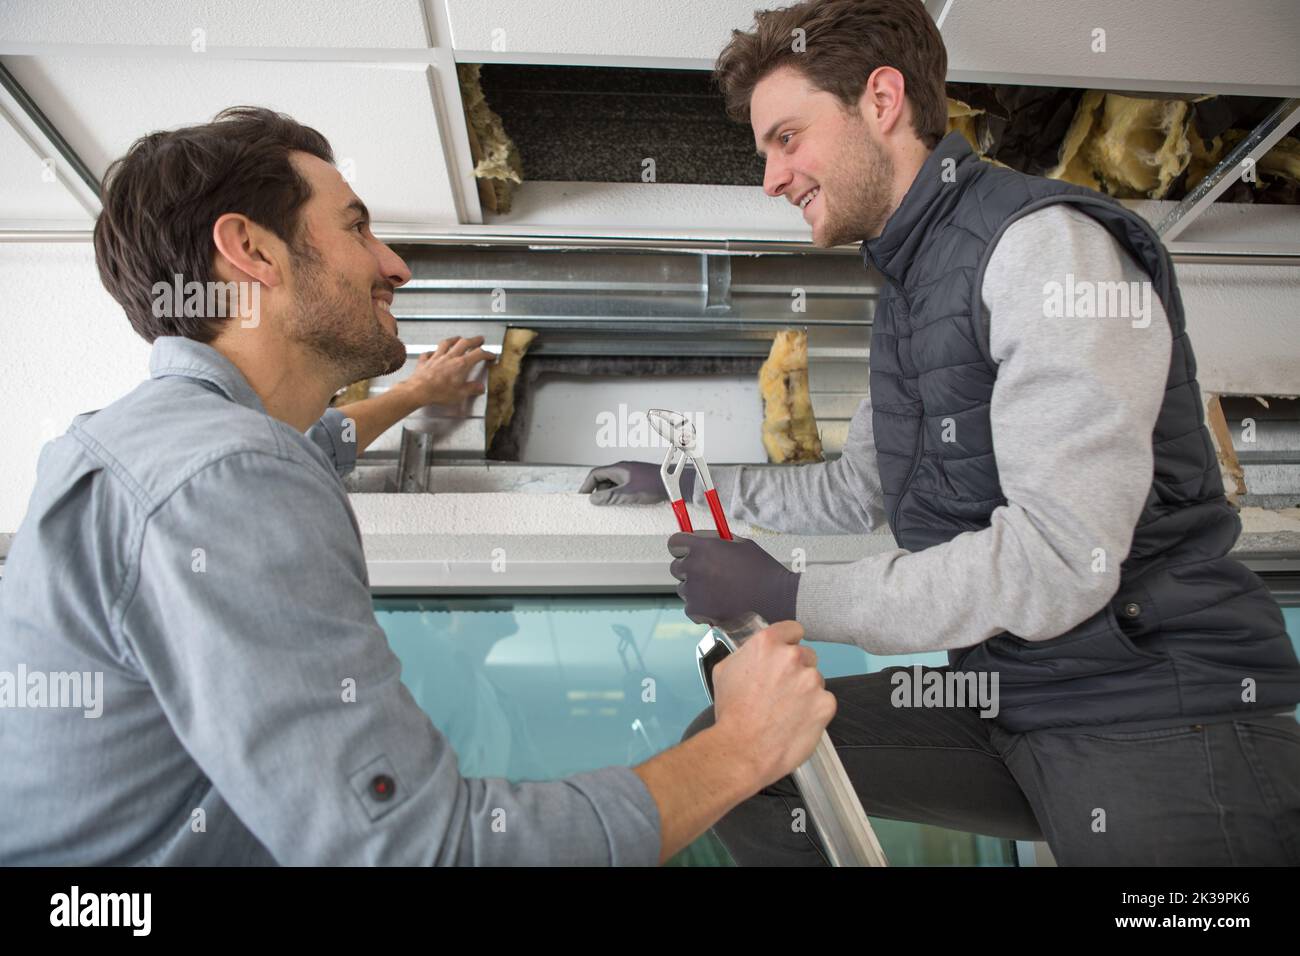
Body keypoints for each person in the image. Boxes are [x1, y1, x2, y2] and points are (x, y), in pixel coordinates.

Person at [0, 106, 835, 866]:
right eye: (357, 228)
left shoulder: (150, 445)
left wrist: (411, 397)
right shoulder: (225, 476)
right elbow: (416, 851)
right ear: (251, 251)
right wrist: (742, 748)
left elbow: (313, 449)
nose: (393, 266)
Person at [582, 0, 1300, 865]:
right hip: (1002, 697)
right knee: (746, 754)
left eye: (787, 138)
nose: (771, 178)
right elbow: (859, 489)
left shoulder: (1042, 248)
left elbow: (1058, 558)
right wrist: (690, 484)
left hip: (1149, 706)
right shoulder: (911, 291)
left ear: (881, 101)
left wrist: (795, 595)